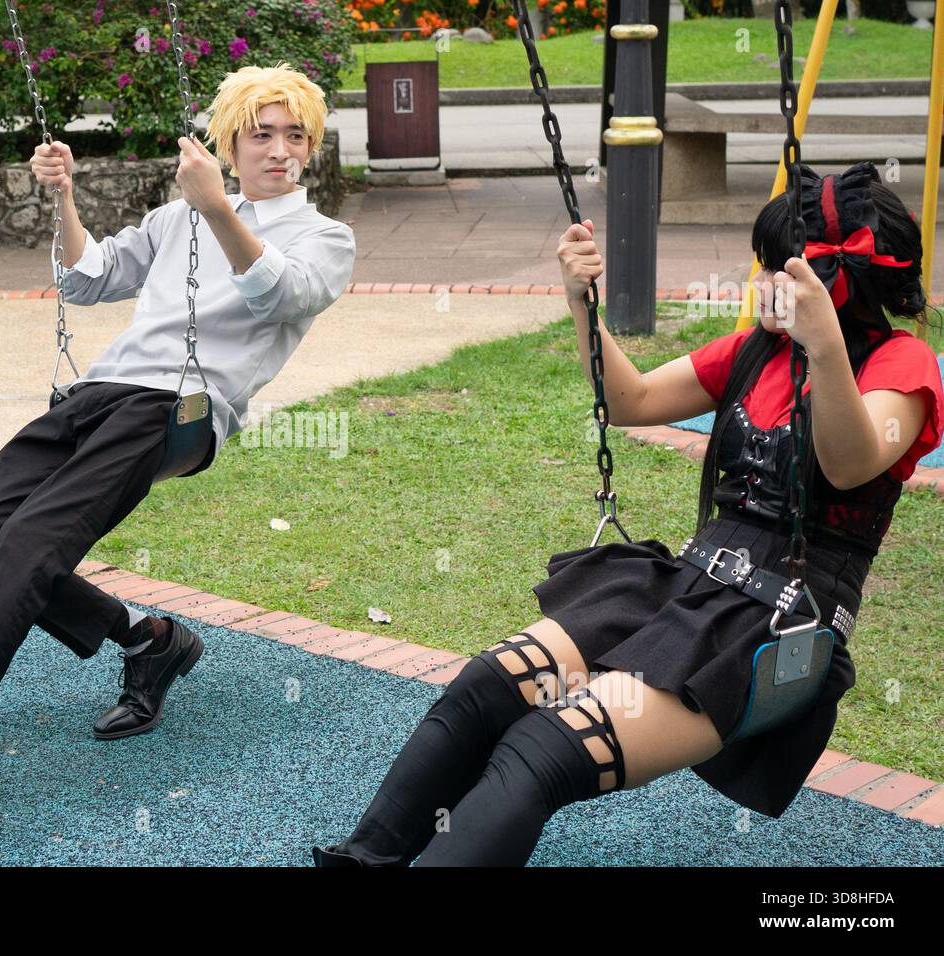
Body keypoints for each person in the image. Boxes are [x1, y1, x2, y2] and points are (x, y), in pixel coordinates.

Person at [0, 62, 356, 852]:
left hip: (176, 410)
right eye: (262, 134)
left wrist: (217, 206)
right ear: (230, 141)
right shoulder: (176, 217)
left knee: (31, 544)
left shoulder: (324, 238)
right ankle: (150, 641)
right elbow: (89, 279)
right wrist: (64, 196)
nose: (281, 150)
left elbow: (277, 294)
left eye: (297, 136)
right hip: (97, 394)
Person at [314, 161, 943, 866]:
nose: (760, 282)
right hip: (684, 587)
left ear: (833, 282)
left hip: (768, 622)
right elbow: (632, 401)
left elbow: (851, 462)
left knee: (542, 749)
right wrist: (583, 301)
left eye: (775, 269)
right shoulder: (754, 354)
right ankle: (366, 859)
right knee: (484, 689)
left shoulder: (902, 363)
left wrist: (823, 347)